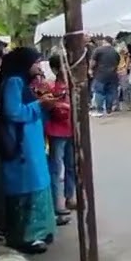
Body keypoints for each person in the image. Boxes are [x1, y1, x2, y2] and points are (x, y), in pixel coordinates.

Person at [0, 48, 58, 254]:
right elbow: (13, 112)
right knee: (29, 185)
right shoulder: (14, 82)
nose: (38, 67)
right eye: (35, 63)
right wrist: (39, 105)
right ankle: (26, 236)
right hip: (22, 145)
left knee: (39, 182)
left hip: (31, 142)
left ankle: (40, 231)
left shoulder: (22, 82)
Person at [42, 55, 74, 224]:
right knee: (56, 168)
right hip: (56, 131)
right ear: (55, 69)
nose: (66, 68)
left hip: (71, 130)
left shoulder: (73, 85)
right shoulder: (50, 86)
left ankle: (70, 196)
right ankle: (57, 202)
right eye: (62, 65)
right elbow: (48, 106)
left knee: (71, 166)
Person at [88, 37, 120, 117]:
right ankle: (108, 109)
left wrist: (90, 69)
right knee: (110, 92)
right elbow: (117, 62)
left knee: (99, 92)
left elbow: (93, 61)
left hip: (100, 75)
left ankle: (100, 110)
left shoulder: (98, 50)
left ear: (104, 41)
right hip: (113, 75)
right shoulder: (115, 52)